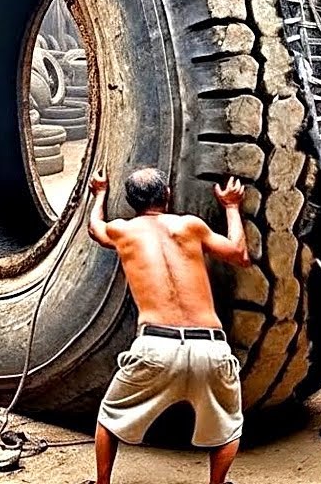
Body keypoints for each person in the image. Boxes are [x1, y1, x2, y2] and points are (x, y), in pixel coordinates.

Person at [85, 167, 251, 484]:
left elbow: (96, 229)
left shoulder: (123, 231)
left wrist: (99, 194)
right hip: (210, 347)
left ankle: (102, 483)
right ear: (168, 195)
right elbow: (239, 254)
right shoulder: (190, 226)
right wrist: (231, 207)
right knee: (228, 423)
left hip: (155, 347)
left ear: (131, 201)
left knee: (109, 416)